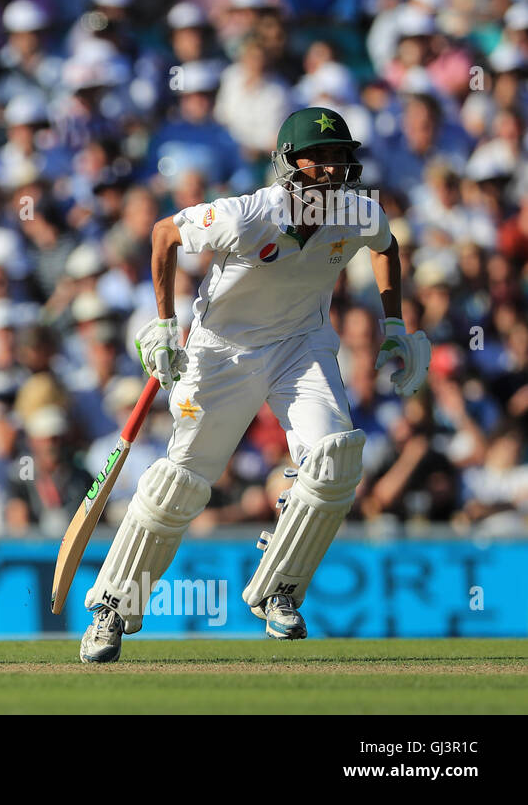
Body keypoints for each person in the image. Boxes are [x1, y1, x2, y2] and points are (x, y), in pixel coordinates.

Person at [78, 107, 431, 663]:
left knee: (336, 458)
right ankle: (113, 609)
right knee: (181, 485)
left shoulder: (358, 213)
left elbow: (386, 247)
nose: (336, 170)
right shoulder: (247, 215)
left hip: (301, 345)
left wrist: (393, 324)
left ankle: (279, 589)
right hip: (221, 353)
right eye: (324, 159)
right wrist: (166, 322)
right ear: (291, 162)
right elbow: (163, 232)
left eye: (344, 158)